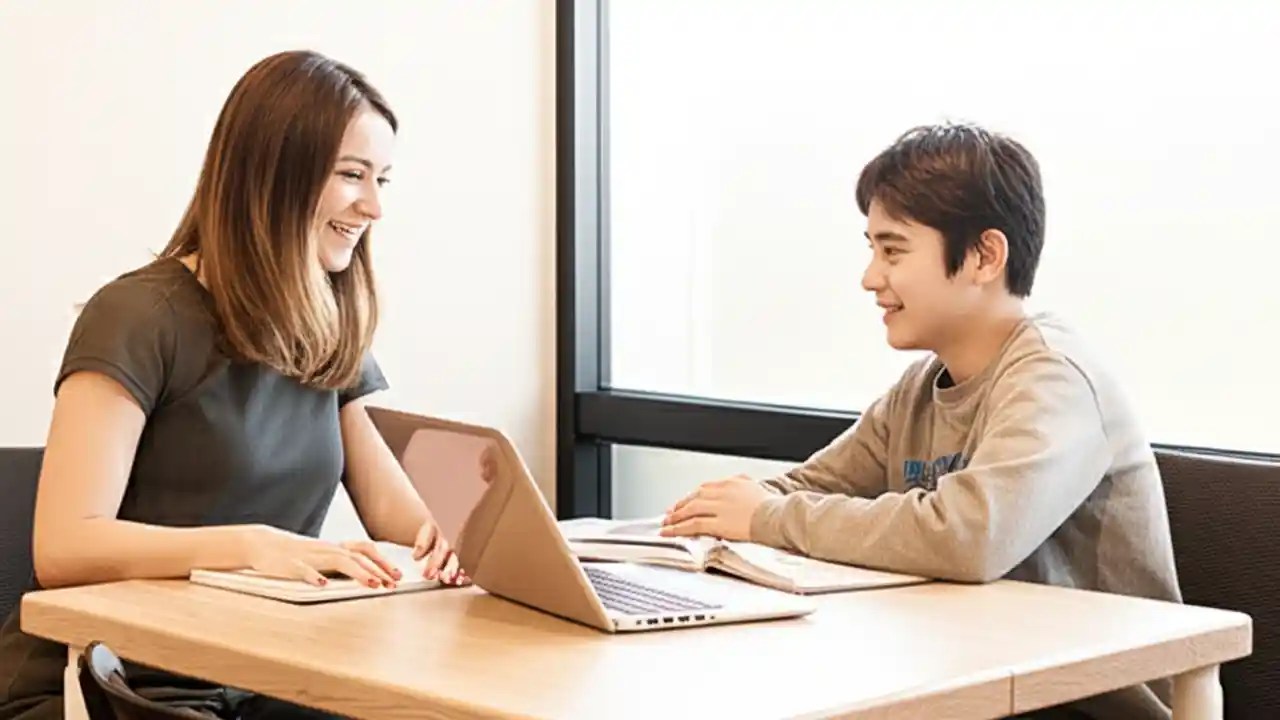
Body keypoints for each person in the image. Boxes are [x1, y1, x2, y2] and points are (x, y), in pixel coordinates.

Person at [0, 50, 466, 720]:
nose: (373, 206)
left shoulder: (325, 324)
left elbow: (395, 512)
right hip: (105, 685)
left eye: (382, 180)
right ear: (275, 174)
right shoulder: (139, 316)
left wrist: (463, 539)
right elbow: (64, 546)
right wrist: (251, 547)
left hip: (251, 676)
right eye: (351, 175)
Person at [660, 123, 1183, 719]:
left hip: (1079, 705)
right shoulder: (921, 387)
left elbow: (970, 537)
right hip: (963, 681)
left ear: (985, 256)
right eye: (871, 248)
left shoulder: (1054, 378)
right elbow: (810, 487)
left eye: (893, 250)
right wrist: (706, 525)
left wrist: (768, 516)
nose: (869, 277)